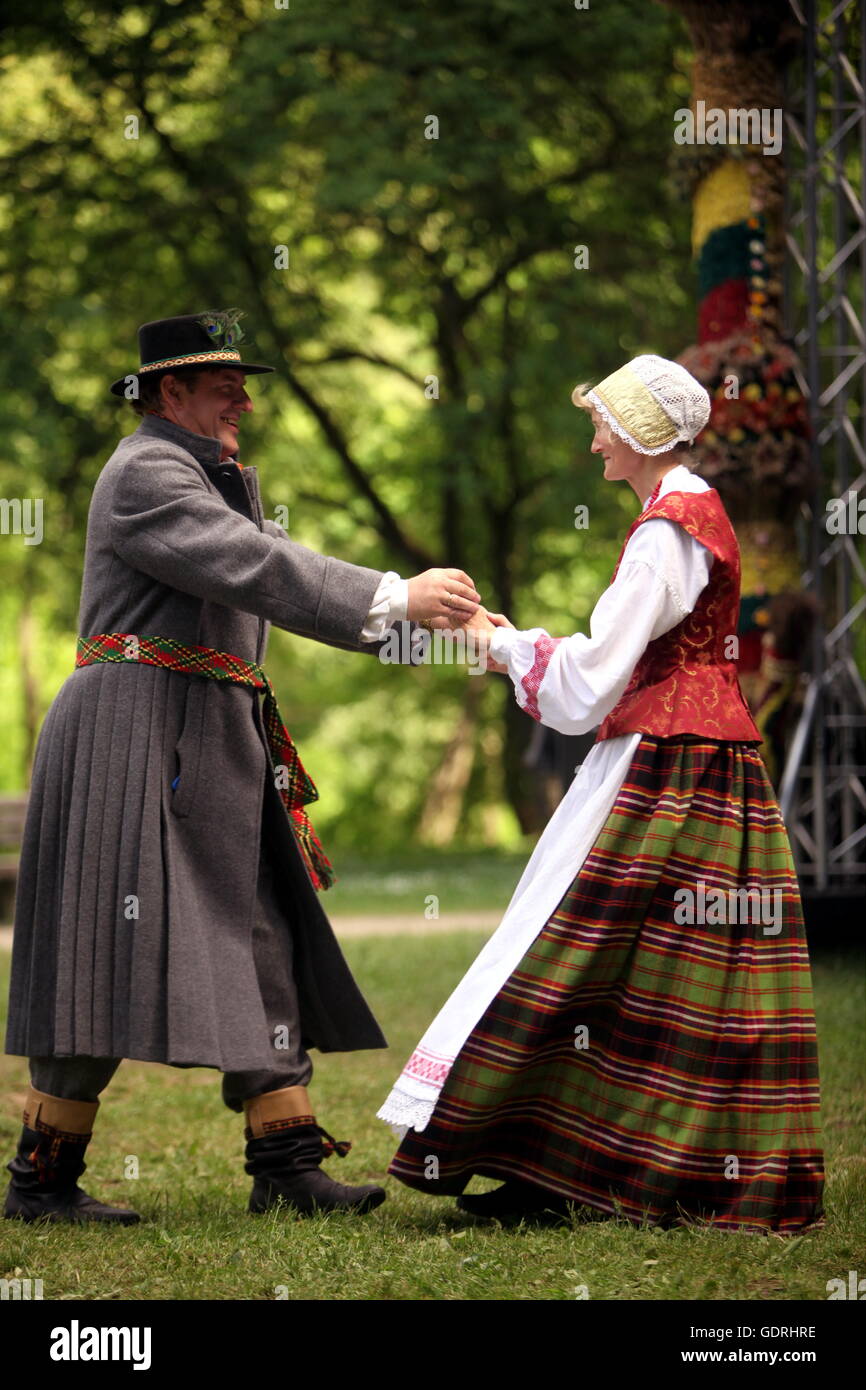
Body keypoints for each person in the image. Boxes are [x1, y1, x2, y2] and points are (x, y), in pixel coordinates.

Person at [4, 310, 480, 1223]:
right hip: (127, 737)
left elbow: (252, 575)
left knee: (260, 929)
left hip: (208, 732)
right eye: (228, 389)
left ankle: (287, 1162)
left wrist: (413, 619)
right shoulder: (146, 471)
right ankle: (42, 1180)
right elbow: (255, 566)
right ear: (169, 392)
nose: (247, 403)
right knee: (99, 953)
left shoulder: (201, 472)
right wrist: (393, 594)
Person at [378, 354, 825, 1235]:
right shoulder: (693, 514)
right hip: (710, 765)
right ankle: (589, 1166)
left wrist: (498, 641)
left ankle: (555, 1162)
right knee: (671, 972)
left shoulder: (666, 532)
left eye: (603, 426)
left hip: (664, 773)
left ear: (639, 435)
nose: (593, 442)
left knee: (574, 950)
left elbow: (589, 686)